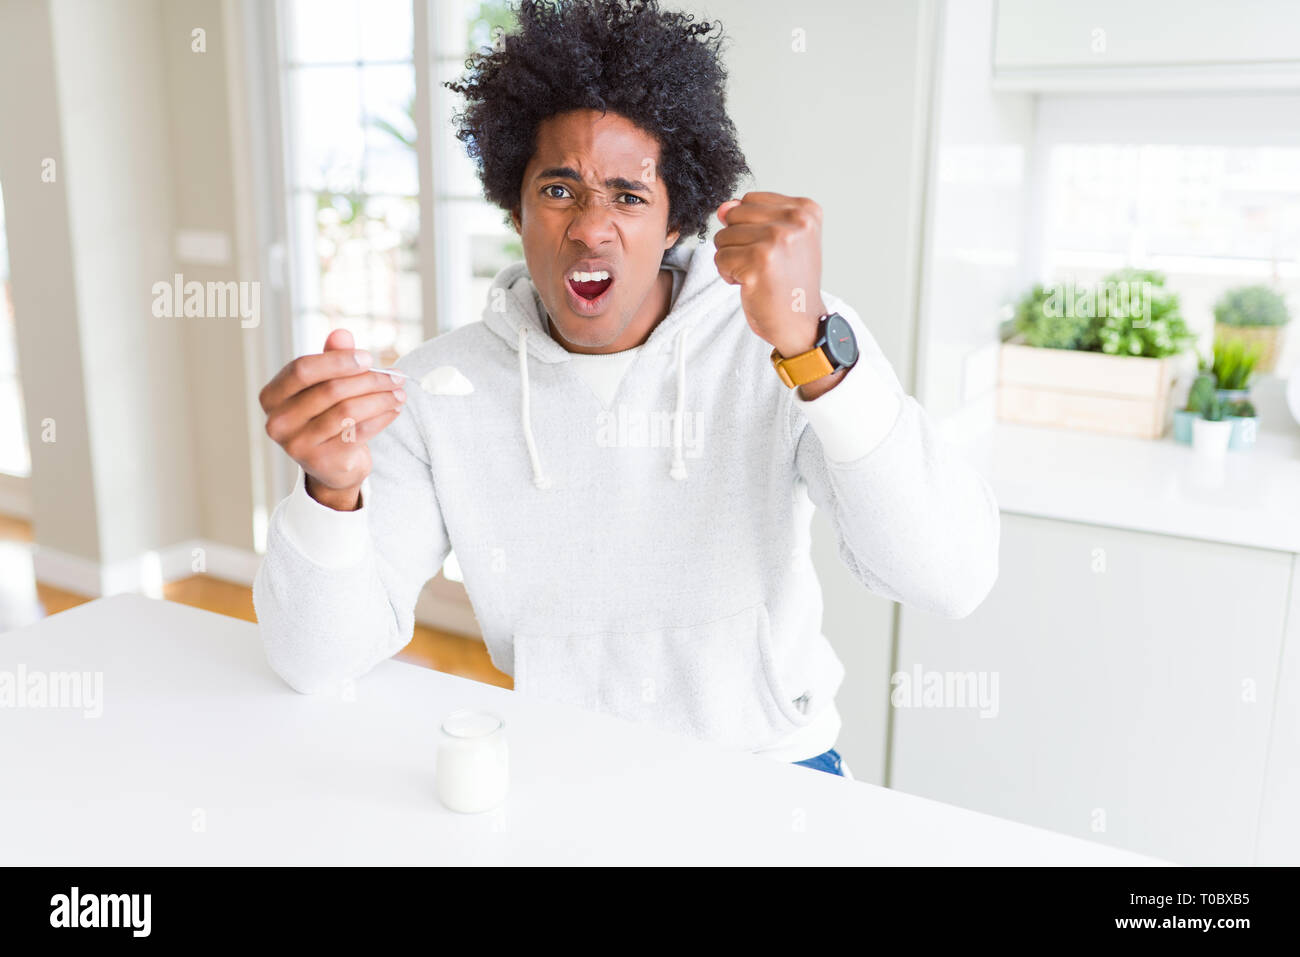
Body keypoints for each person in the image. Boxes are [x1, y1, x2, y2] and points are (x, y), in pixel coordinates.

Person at [253, 0, 1000, 780]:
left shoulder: (787, 339)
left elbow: (952, 574)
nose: (590, 227)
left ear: (679, 221)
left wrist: (814, 352)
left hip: (774, 768)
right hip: (563, 770)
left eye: (630, 195)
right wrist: (329, 494)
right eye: (559, 190)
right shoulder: (442, 389)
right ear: (516, 207)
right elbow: (315, 660)